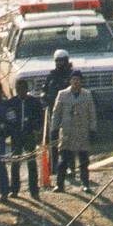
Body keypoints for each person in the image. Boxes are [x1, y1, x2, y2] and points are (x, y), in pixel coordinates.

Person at [52, 71, 96, 193]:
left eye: (78, 80)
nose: (76, 82)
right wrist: (54, 129)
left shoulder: (87, 95)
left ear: (81, 81)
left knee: (83, 160)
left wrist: (92, 129)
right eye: (74, 79)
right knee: (63, 160)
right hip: (67, 132)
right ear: (70, 81)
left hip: (82, 132)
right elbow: (56, 114)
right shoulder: (62, 94)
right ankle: (59, 184)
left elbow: (92, 114)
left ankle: (85, 183)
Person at [8, 77, 45, 199]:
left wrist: (36, 129)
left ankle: (34, 190)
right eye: (18, 89)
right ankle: (14, 189)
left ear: (27, 89)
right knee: (15, 163)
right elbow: (8, 118)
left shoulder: (33, 102)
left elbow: (40, 117)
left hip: (29, 135)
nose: (21, 92)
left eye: (23, 89)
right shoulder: (12, 103)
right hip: (16, 135)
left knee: (31, 162)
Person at [43, 47, 74, 178]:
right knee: (53, 138)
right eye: (58, 61)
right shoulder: (51, 76)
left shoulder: (71, 75)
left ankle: (70, 166)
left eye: (62, 61)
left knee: (69, 140)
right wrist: (44, 97)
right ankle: (54, 166)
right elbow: (44, 90)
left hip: (68, 111)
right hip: (53, 111)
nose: (60, 64)